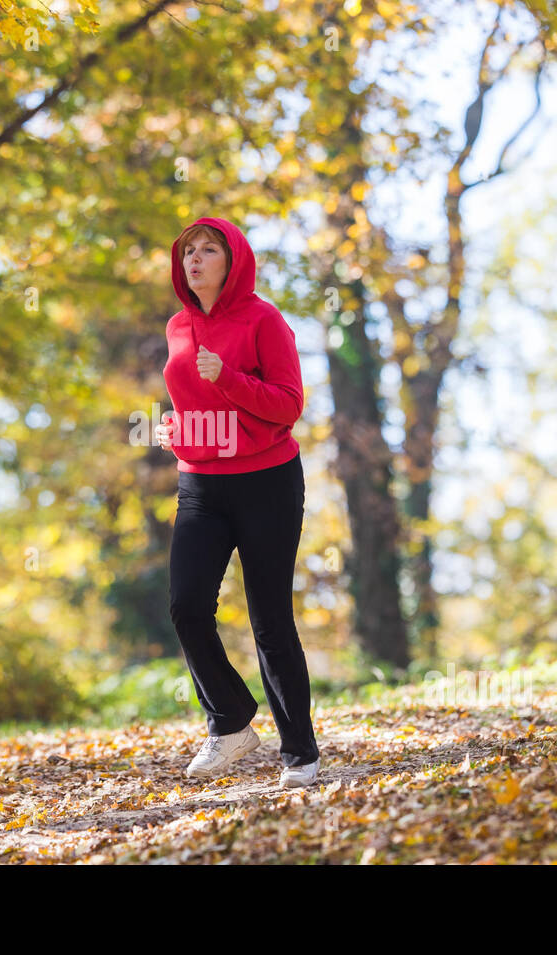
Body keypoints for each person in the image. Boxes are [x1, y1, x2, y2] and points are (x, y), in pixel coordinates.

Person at [156, 215, 321, 790]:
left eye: (207, 250)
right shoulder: (178, 326)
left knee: (269, 618)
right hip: (200, 483)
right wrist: (176, 430)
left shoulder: (264, 319)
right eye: (187, 252)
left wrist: (227, 377)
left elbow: (287, 404)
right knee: (186, 606)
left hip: (267, 480)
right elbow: (195, 406)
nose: (194, 259)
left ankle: (299, 752)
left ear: (234, 261)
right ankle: (229, 721)